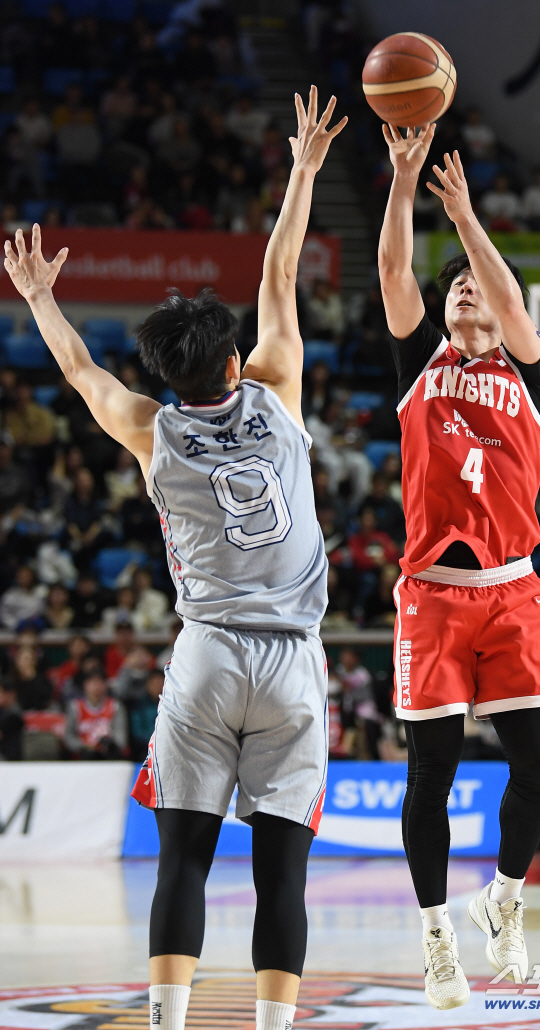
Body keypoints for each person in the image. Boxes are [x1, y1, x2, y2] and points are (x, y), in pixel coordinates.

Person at [2, 85, 345, 1030]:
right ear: (234, 365)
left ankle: (167, 1022)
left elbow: (78, 369)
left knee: (183, 861)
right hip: (291, 664)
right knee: (282, 876)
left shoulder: (148, 429)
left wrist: (40, 296)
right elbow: (278, 278)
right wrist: (305, 170)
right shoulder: (279, 397)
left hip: (204, 657)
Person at [377, 124, 540, 1006]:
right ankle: (437, 933)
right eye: (455, 288)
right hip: (435, 599)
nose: (462, 295)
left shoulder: (527, 364)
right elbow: (391, 275)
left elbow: (509, 300)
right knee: (432, 778)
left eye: (475, 290)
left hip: (516, 593)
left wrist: (468, 216)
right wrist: (408, 185)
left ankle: (506, 900)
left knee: (538, 770)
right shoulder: (421, 362)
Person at [64, 670, 129, 759]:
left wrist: (107, 746)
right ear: (85, 685)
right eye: (93, 682)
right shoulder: (75, 707)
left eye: (100, 682)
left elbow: (121, 740)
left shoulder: (116, 706)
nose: (97, 686)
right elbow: (69, 738)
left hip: (109, 754)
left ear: (106, 685)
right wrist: (85, 745)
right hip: (83, 754)